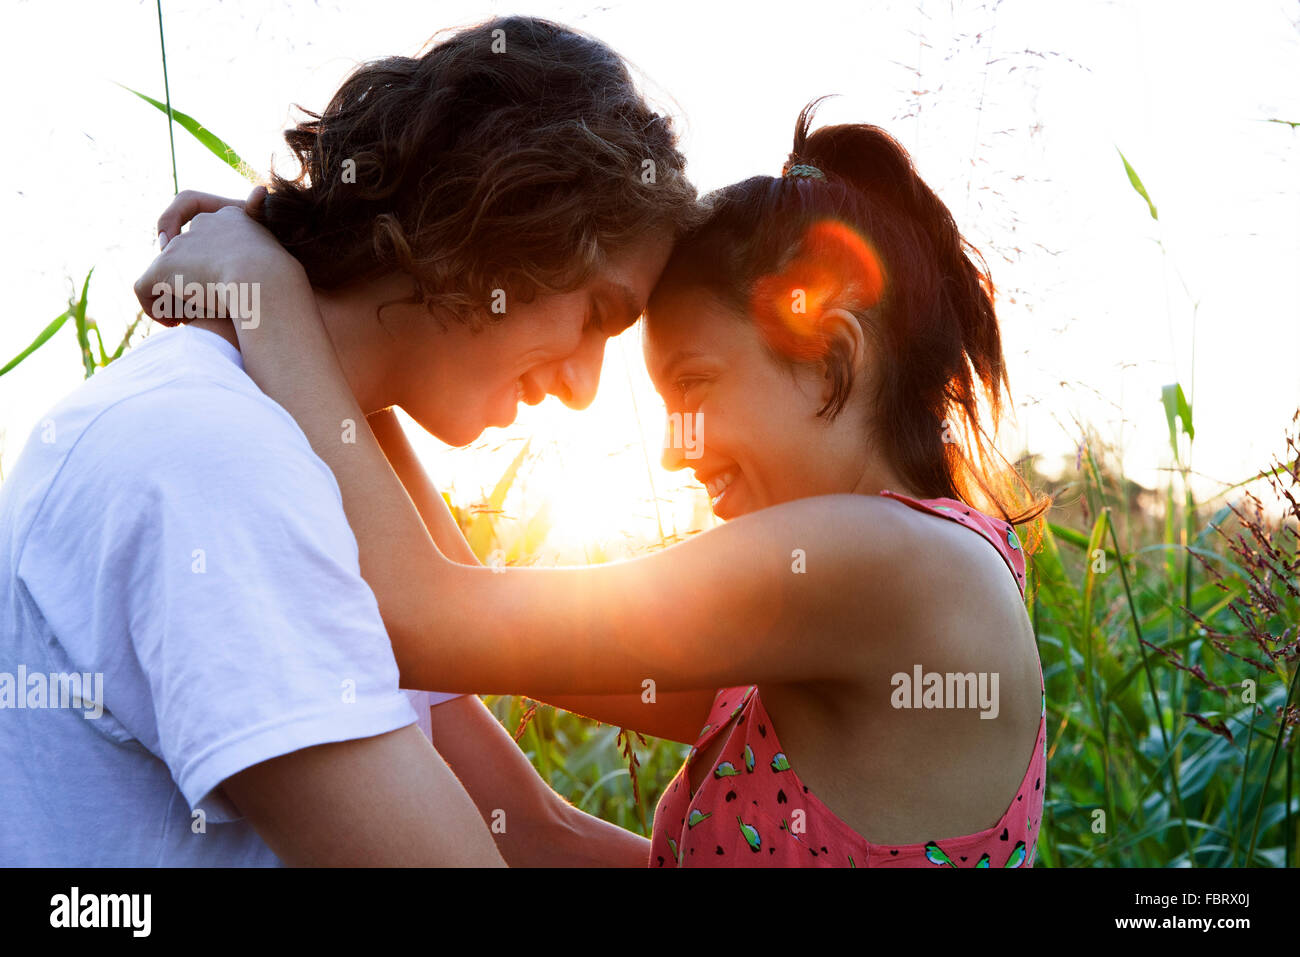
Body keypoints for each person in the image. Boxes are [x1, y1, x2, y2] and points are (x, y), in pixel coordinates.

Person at [139, 100, 1051, 867]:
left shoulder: (891, 565)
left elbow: (429, 620)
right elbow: (519, 790)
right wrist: (344, 350)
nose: (676, 452)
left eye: (693, 385)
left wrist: (277, 299)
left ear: (833, 358)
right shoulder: (875, 600)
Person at [0, 15, 698, 866]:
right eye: (596, 314)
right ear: (500, 217)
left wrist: (282, 293)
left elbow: (530, 830)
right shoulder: (209, 459)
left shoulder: (295, 455)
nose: (586, 388)